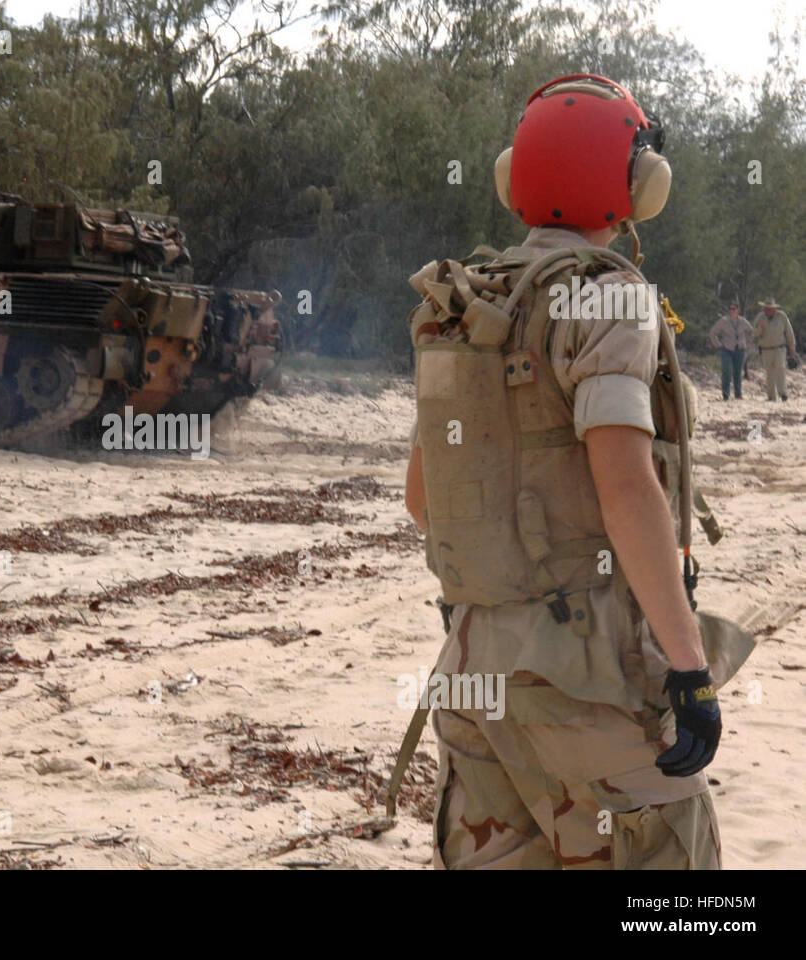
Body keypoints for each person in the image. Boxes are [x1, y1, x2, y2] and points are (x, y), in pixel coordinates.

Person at [394, 74, 753, 869]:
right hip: (584, 674)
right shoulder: (611, 305)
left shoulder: (465, 306)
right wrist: (690, 669)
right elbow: (627, 490)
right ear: (634, 188)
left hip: (472, 668)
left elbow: (426, 499)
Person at [753, 298, 797, 401]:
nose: (768, 310)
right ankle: (771, 396)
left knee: (780, 369)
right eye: (766, 308)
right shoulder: (760, 318)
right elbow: (754, 333)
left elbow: (789, 332)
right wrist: (761, 328)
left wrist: (792, 347)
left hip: (779, 348)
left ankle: (783, 393)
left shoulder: (782, 316)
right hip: (765, 349)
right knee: (769, 373)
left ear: (774, 308)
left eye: (770, 308)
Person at [708, 302, 750, 400]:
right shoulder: (724, 321)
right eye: (731, 308)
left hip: (739, 349)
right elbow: (712, 333)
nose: (732, 310)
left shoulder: (743, 321)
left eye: (734, 308)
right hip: (726, 349)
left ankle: (738, 394)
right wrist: (718, 345)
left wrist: (745, 342)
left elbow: (751, 332)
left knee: (737, 372)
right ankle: (725, 393)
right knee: (726, 370)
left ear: (738, 310)